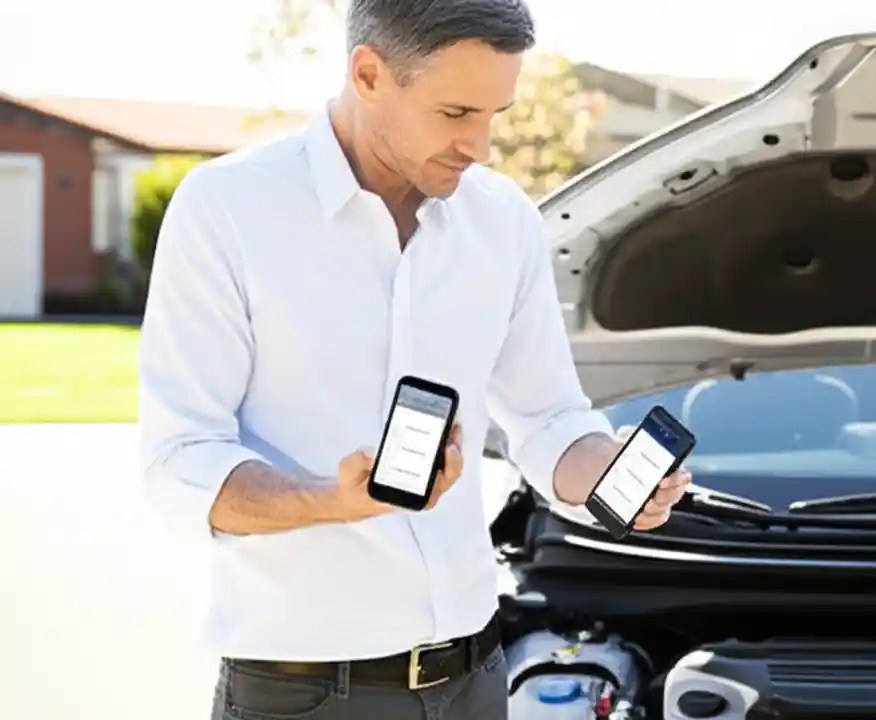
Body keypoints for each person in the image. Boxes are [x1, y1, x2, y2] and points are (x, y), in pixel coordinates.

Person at [135, 1, 692, 717]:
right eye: (457, 112)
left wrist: (609, 473)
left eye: (495, 114)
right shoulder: (227, 208)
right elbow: (179, 457)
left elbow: (547, 418)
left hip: (476, 676)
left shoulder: (504, 221)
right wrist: (331, 502)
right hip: (304, 693)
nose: (481, 146)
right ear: (368, 74)